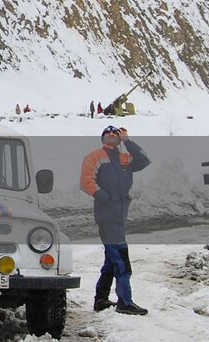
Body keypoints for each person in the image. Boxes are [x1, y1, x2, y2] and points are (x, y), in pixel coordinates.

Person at [80, 126, 151, 315]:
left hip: (120, 215)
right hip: (107, 216)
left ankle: (101, 299)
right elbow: (86, 181)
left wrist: (128, 140)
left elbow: (145, 160)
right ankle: (124, 302)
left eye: (115, 134)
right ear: (102, 138)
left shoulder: (125, 158)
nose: (112, 136)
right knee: (121, 259)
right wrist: (105, 197)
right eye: (107, 134)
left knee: (111, 260)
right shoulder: (94, 157)